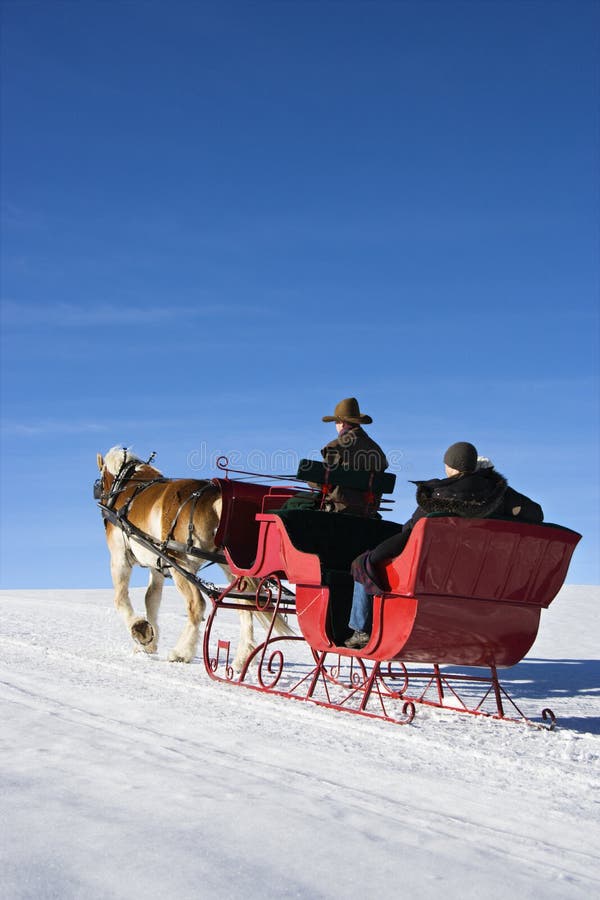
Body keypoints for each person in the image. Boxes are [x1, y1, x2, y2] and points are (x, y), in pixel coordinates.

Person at [345, 441, 544, 649]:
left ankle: (361, 630)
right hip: (485, 579)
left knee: (363, 563)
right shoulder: (499, 493)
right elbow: (535, 513)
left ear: (450, 466)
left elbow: (411, 530)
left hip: (434, 576)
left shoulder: (439, 494)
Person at [315, 397, 389, 516]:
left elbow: (322, 479)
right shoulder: (377, 451)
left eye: (335, 422)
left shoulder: (337, 446)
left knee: (295, 501)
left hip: (340, 507)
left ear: (342, 423)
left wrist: (310, 481)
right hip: (368, 510)